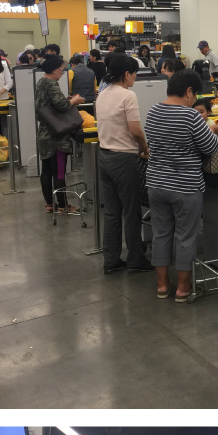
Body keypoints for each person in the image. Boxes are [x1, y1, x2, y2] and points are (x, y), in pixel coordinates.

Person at [144, 69, 218, 302]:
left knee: (161, 234)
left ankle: (162, 285)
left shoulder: (153, 111)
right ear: (188, 91)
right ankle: (183, 289)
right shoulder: (191, 117)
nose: (195, 100)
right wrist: (212, 132)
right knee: (186, 237)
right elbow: (210, 148)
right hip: (185, 186)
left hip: (156, 184)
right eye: (195, 95)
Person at [95, 53, 153, 274]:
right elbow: (135, 130)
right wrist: (144, 147)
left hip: (105, 156)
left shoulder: (103, 94)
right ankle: (136, 259)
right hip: (124, 159)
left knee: (112, 212)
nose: (135, 79)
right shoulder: (128, 96)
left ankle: (111, 260)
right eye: (135, 74)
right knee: (131, 211)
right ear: (127, 74)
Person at [34, 56, 84, 215]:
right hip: (56, 136)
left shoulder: (41, 82)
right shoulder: (51, 83)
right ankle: (63, 205)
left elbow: (49, 105)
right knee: (59, 172)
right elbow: (61, 106)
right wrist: (75, 101)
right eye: (62, 69)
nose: (63, 72)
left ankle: (49, 204)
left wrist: (65, 100)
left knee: (46, 171)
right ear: (55, 69)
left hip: (44, 133)